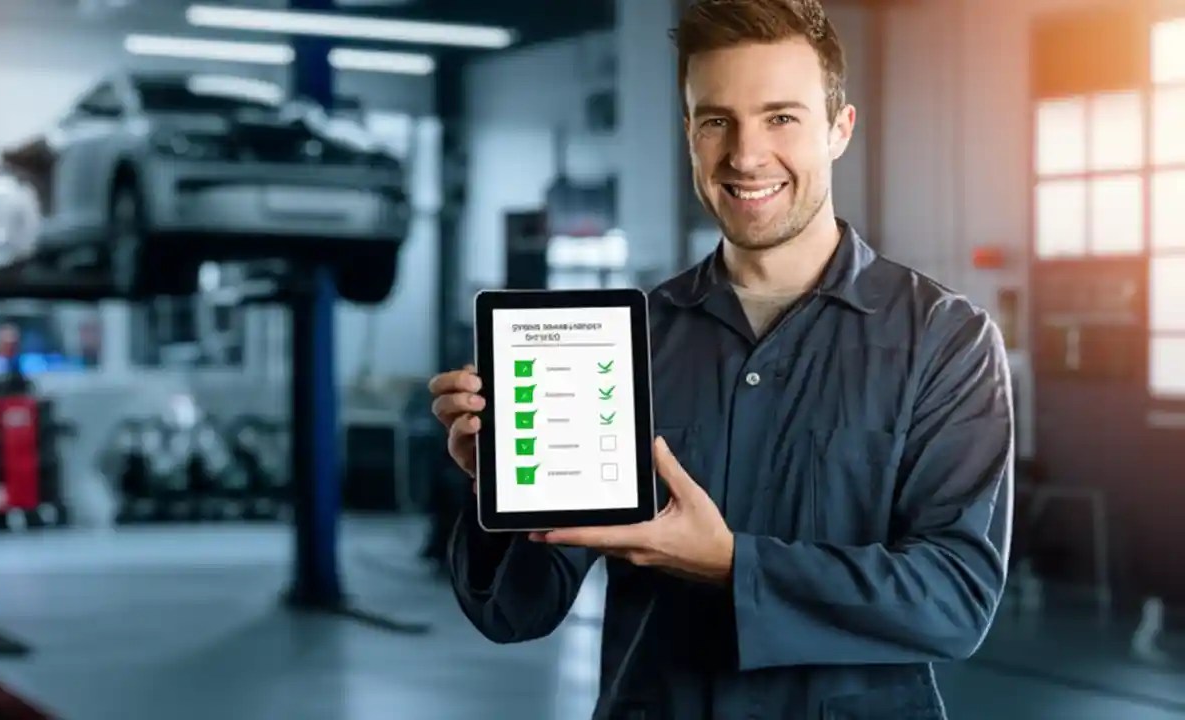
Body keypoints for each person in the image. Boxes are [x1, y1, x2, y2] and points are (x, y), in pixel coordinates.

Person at [428, 0, 1014, 717]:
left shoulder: (943, 341)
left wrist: (733, 565)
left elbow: (955, 600)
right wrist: (502, 486)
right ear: (689, 135)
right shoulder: (625, 341)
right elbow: (517, 612)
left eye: (781, 117)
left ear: (839, 128)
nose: (745, 154)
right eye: (716, 121)